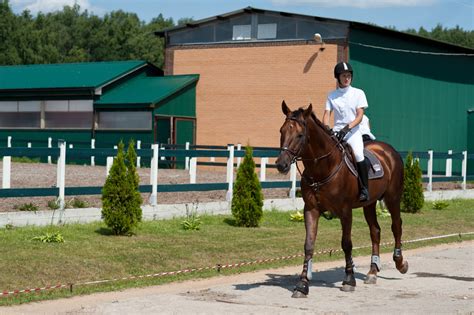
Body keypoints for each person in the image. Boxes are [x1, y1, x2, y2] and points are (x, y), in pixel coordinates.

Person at [322, 61, 370, 201]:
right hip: (336, 132)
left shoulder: (358, 93)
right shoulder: (331, 95)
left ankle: (365, 189)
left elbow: (360, 116)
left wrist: (347, 128)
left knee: (358, 154)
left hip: (353, 131)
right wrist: (327, 128)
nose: (347, 78)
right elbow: (326, 114)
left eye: (349, 75)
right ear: (338, 77)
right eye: (344, 75)